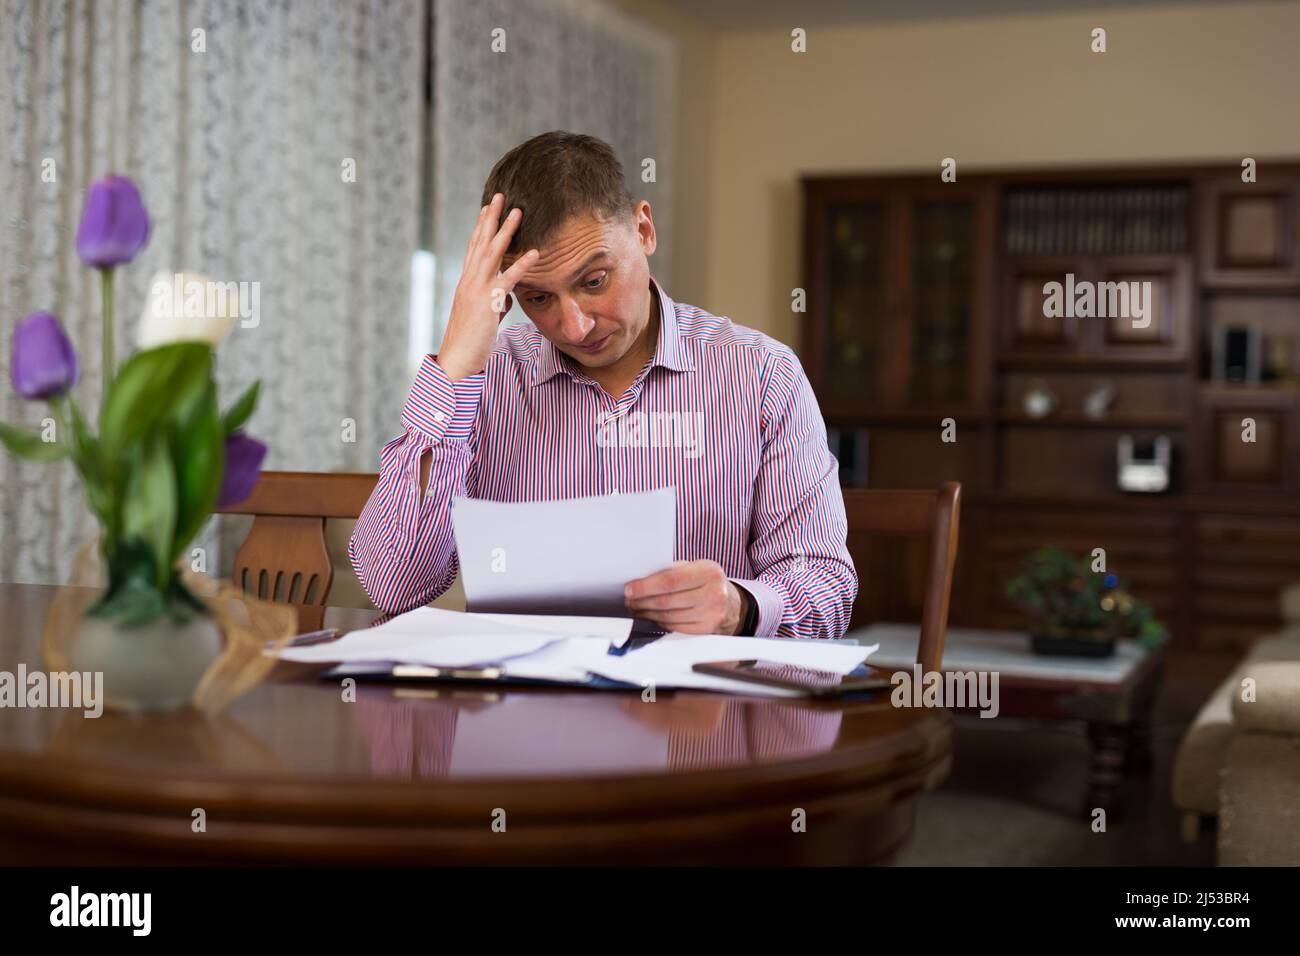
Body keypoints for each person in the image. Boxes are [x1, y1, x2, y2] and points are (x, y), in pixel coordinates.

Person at [349, 131, 856, 638]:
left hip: (698, 708)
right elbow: (396, 585)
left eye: (594, 282)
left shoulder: (762, 375)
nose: (575, 327)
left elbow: (828, 590)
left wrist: (739, 608)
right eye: (537, 298)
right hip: (522, 707)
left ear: (643, 229)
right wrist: (455, 368)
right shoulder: (485, 381)